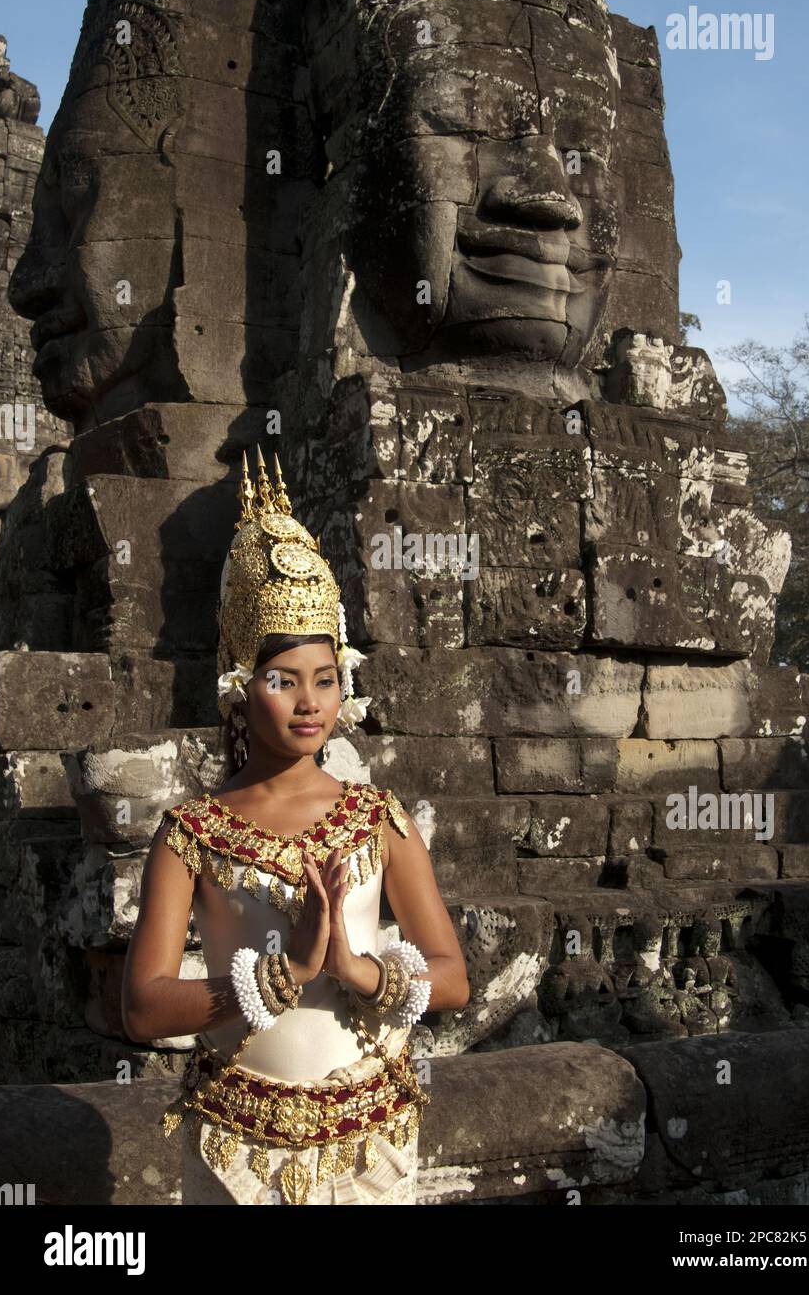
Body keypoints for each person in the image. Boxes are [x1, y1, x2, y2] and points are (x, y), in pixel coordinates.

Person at [121, 446, 469, 1204]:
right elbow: (144, 1006)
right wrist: (286, 977)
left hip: (370, 1145)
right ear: (239, 688)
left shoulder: (379, 818)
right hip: (235, 1152)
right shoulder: (191, 831)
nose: (309, 703)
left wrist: (356, 970)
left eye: (325, 679)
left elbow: (451, 977)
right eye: (282, 682)